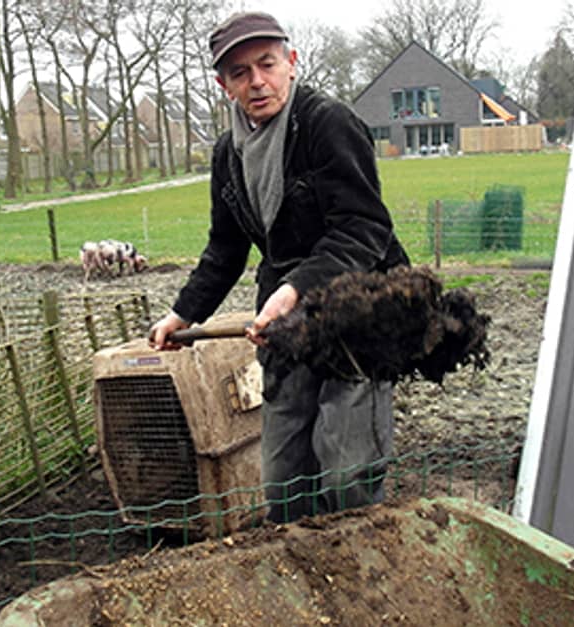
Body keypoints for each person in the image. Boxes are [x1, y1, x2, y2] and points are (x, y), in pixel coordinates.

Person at [148, 12, 410, 524]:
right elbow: (225, 249)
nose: (257, 81)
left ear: (291, 62)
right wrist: (183, 313)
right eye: (240, 72)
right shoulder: (228, 154)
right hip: (285, 326)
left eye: (267, 64)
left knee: (345, 471)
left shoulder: (326, 123)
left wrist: (296, 287)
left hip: (354, 313)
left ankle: (356, 573)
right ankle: (304, 578)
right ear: (223, 85)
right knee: (284, 479)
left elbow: (363, 227)